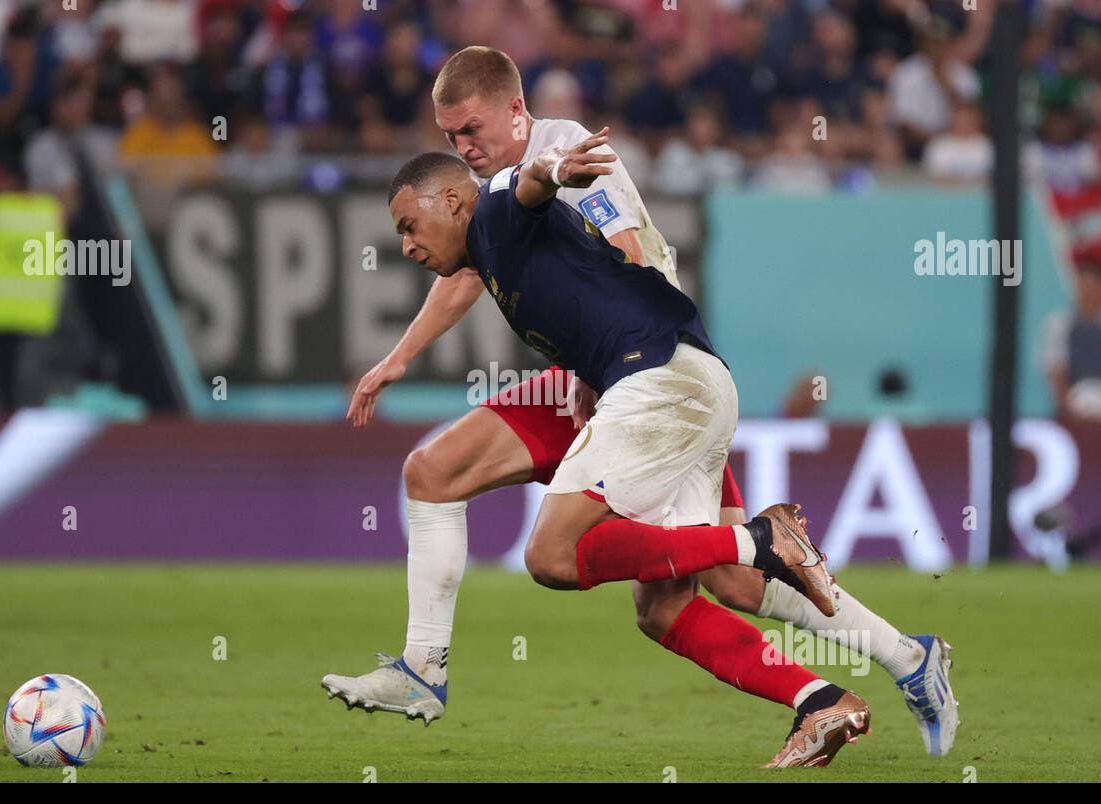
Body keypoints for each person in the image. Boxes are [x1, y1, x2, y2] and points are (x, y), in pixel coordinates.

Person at [324, 47, 958, 761]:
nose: (463, 148)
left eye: (471, 131)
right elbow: (476, 259)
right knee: (449, 483)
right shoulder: (482, 203)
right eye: (449, 139)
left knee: (682, 570)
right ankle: (886, 666)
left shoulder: (560, 147)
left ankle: (781, 557)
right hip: (611, 373)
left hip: (649, 373)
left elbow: (621, 246)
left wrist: (612, 346)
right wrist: (398, 359)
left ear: (514, 108)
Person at [381, 141, 869, 766]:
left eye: (408, 226)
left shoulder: (493, 212)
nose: (406, 245)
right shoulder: (495, 258)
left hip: (658, 383)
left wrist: (553, 169)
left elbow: (527, 183)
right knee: (663, 609)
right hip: (698, 384)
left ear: (450, 201)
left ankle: (759, 541)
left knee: (552, 555)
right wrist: (586, 368)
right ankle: (819, 698)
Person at [1039, 257, 1101, 423]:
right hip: (1069, 413)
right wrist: (1069, 408)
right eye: (1083, 285)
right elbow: (1055, 372)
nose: (1087, 292)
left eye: (1093, 286)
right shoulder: (1059, 324)